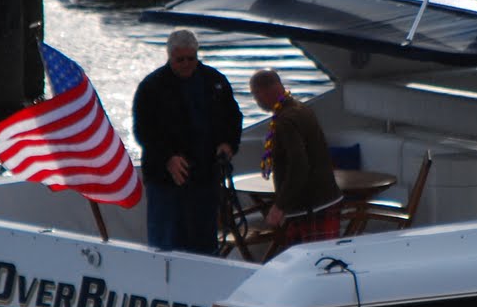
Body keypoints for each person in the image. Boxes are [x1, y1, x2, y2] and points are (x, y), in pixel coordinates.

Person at [132, 29, 242, 253]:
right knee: (166, 245)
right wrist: (167, 159)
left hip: (205, 177)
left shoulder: (215, 81)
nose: (186, 64)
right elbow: (143, 131)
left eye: (191, 59)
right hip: (165, 182)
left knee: (204, 244)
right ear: (169, 57)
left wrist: (228, 143)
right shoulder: (151, 87)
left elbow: (233, 117)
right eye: (179, 60)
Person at [248, 68, 342, 248]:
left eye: (255, 94)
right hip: (325, 199)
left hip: (312, 206)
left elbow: (299, 165)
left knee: (314, 260)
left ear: (264, 92)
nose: (256, 100)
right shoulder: (301, 109)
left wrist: (280, 206)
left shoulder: (285, 121)